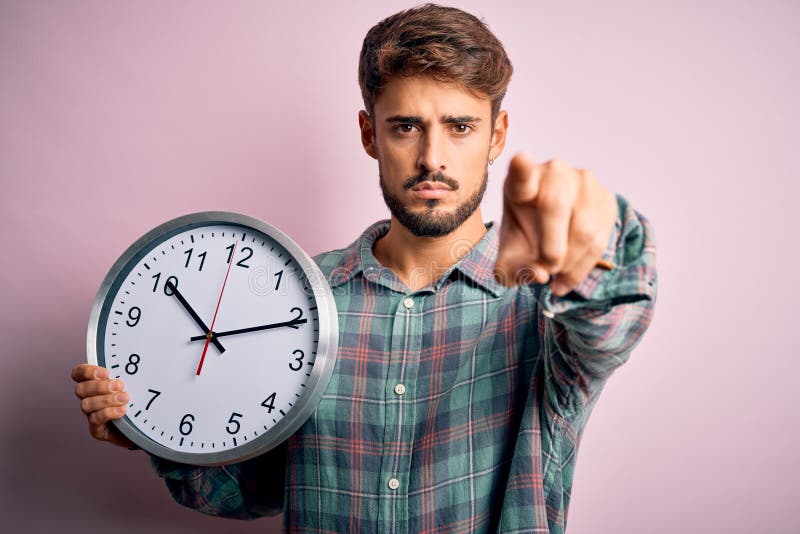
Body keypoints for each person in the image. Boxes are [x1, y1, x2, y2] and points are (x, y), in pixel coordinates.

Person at [71, 4, 657, 533]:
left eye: (460, 126)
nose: (433, 158)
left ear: (496, 135)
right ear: (369, 133)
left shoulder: (546, 306)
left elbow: (612, 319)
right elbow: (252, 490)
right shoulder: (296, 299)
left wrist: (599, 234)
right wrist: (148, 429)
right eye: (406, 126)